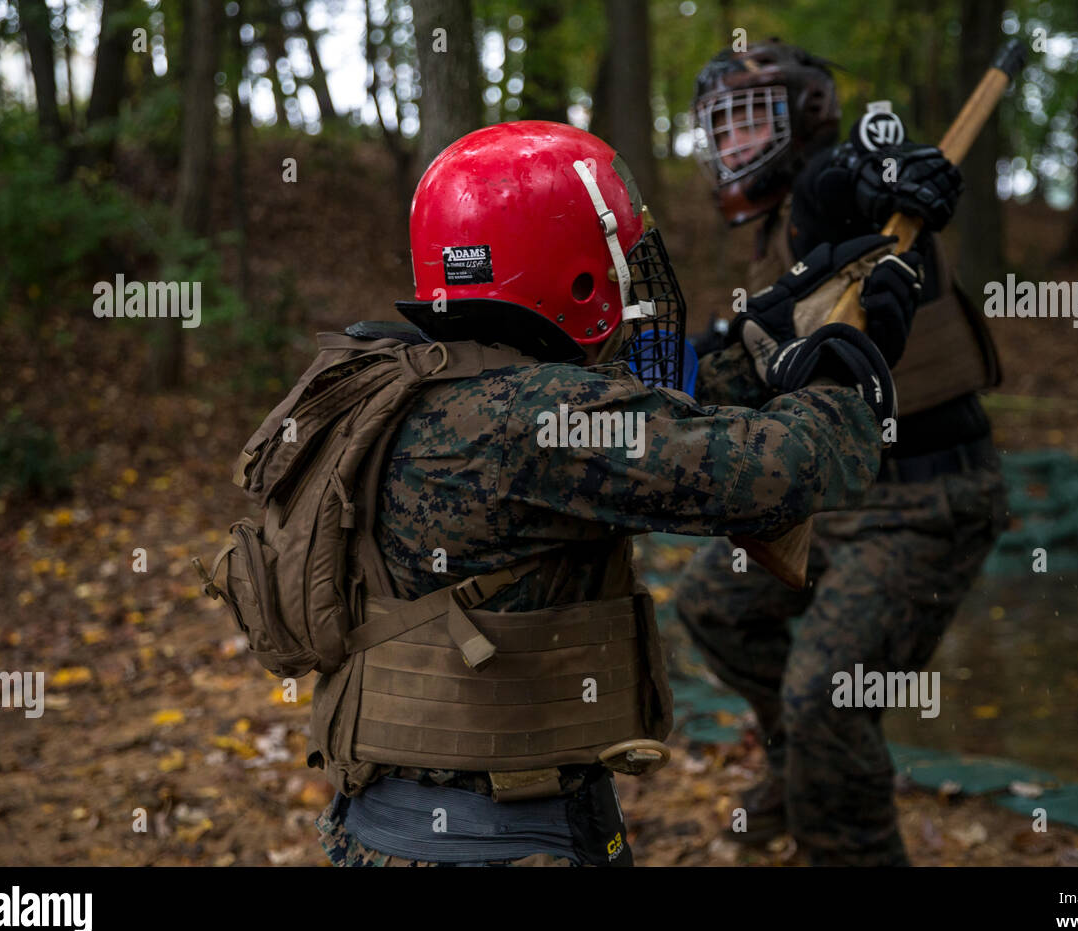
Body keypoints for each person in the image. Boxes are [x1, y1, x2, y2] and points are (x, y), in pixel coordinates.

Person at [283, 120, 924, 866]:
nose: (628, 283)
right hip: (503, 842)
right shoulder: (539, 419)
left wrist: (773, 319)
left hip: (390, 826)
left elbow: (653, 415)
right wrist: (851, 371)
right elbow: (778, 472)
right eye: (615, 262)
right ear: (575, 275)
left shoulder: (413, 378)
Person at [682, 42, 1009, 865]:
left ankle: (854, 845)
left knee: (828, 697)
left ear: (809, 116)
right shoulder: (778, 230)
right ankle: (802, 770)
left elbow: (850, 184)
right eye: (723, 125)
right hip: (838, 499)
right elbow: (764, 323)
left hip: (929, 505)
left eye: (754, 118)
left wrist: (882, 177)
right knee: (712, 604)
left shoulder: (839, 190)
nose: (736, 142)